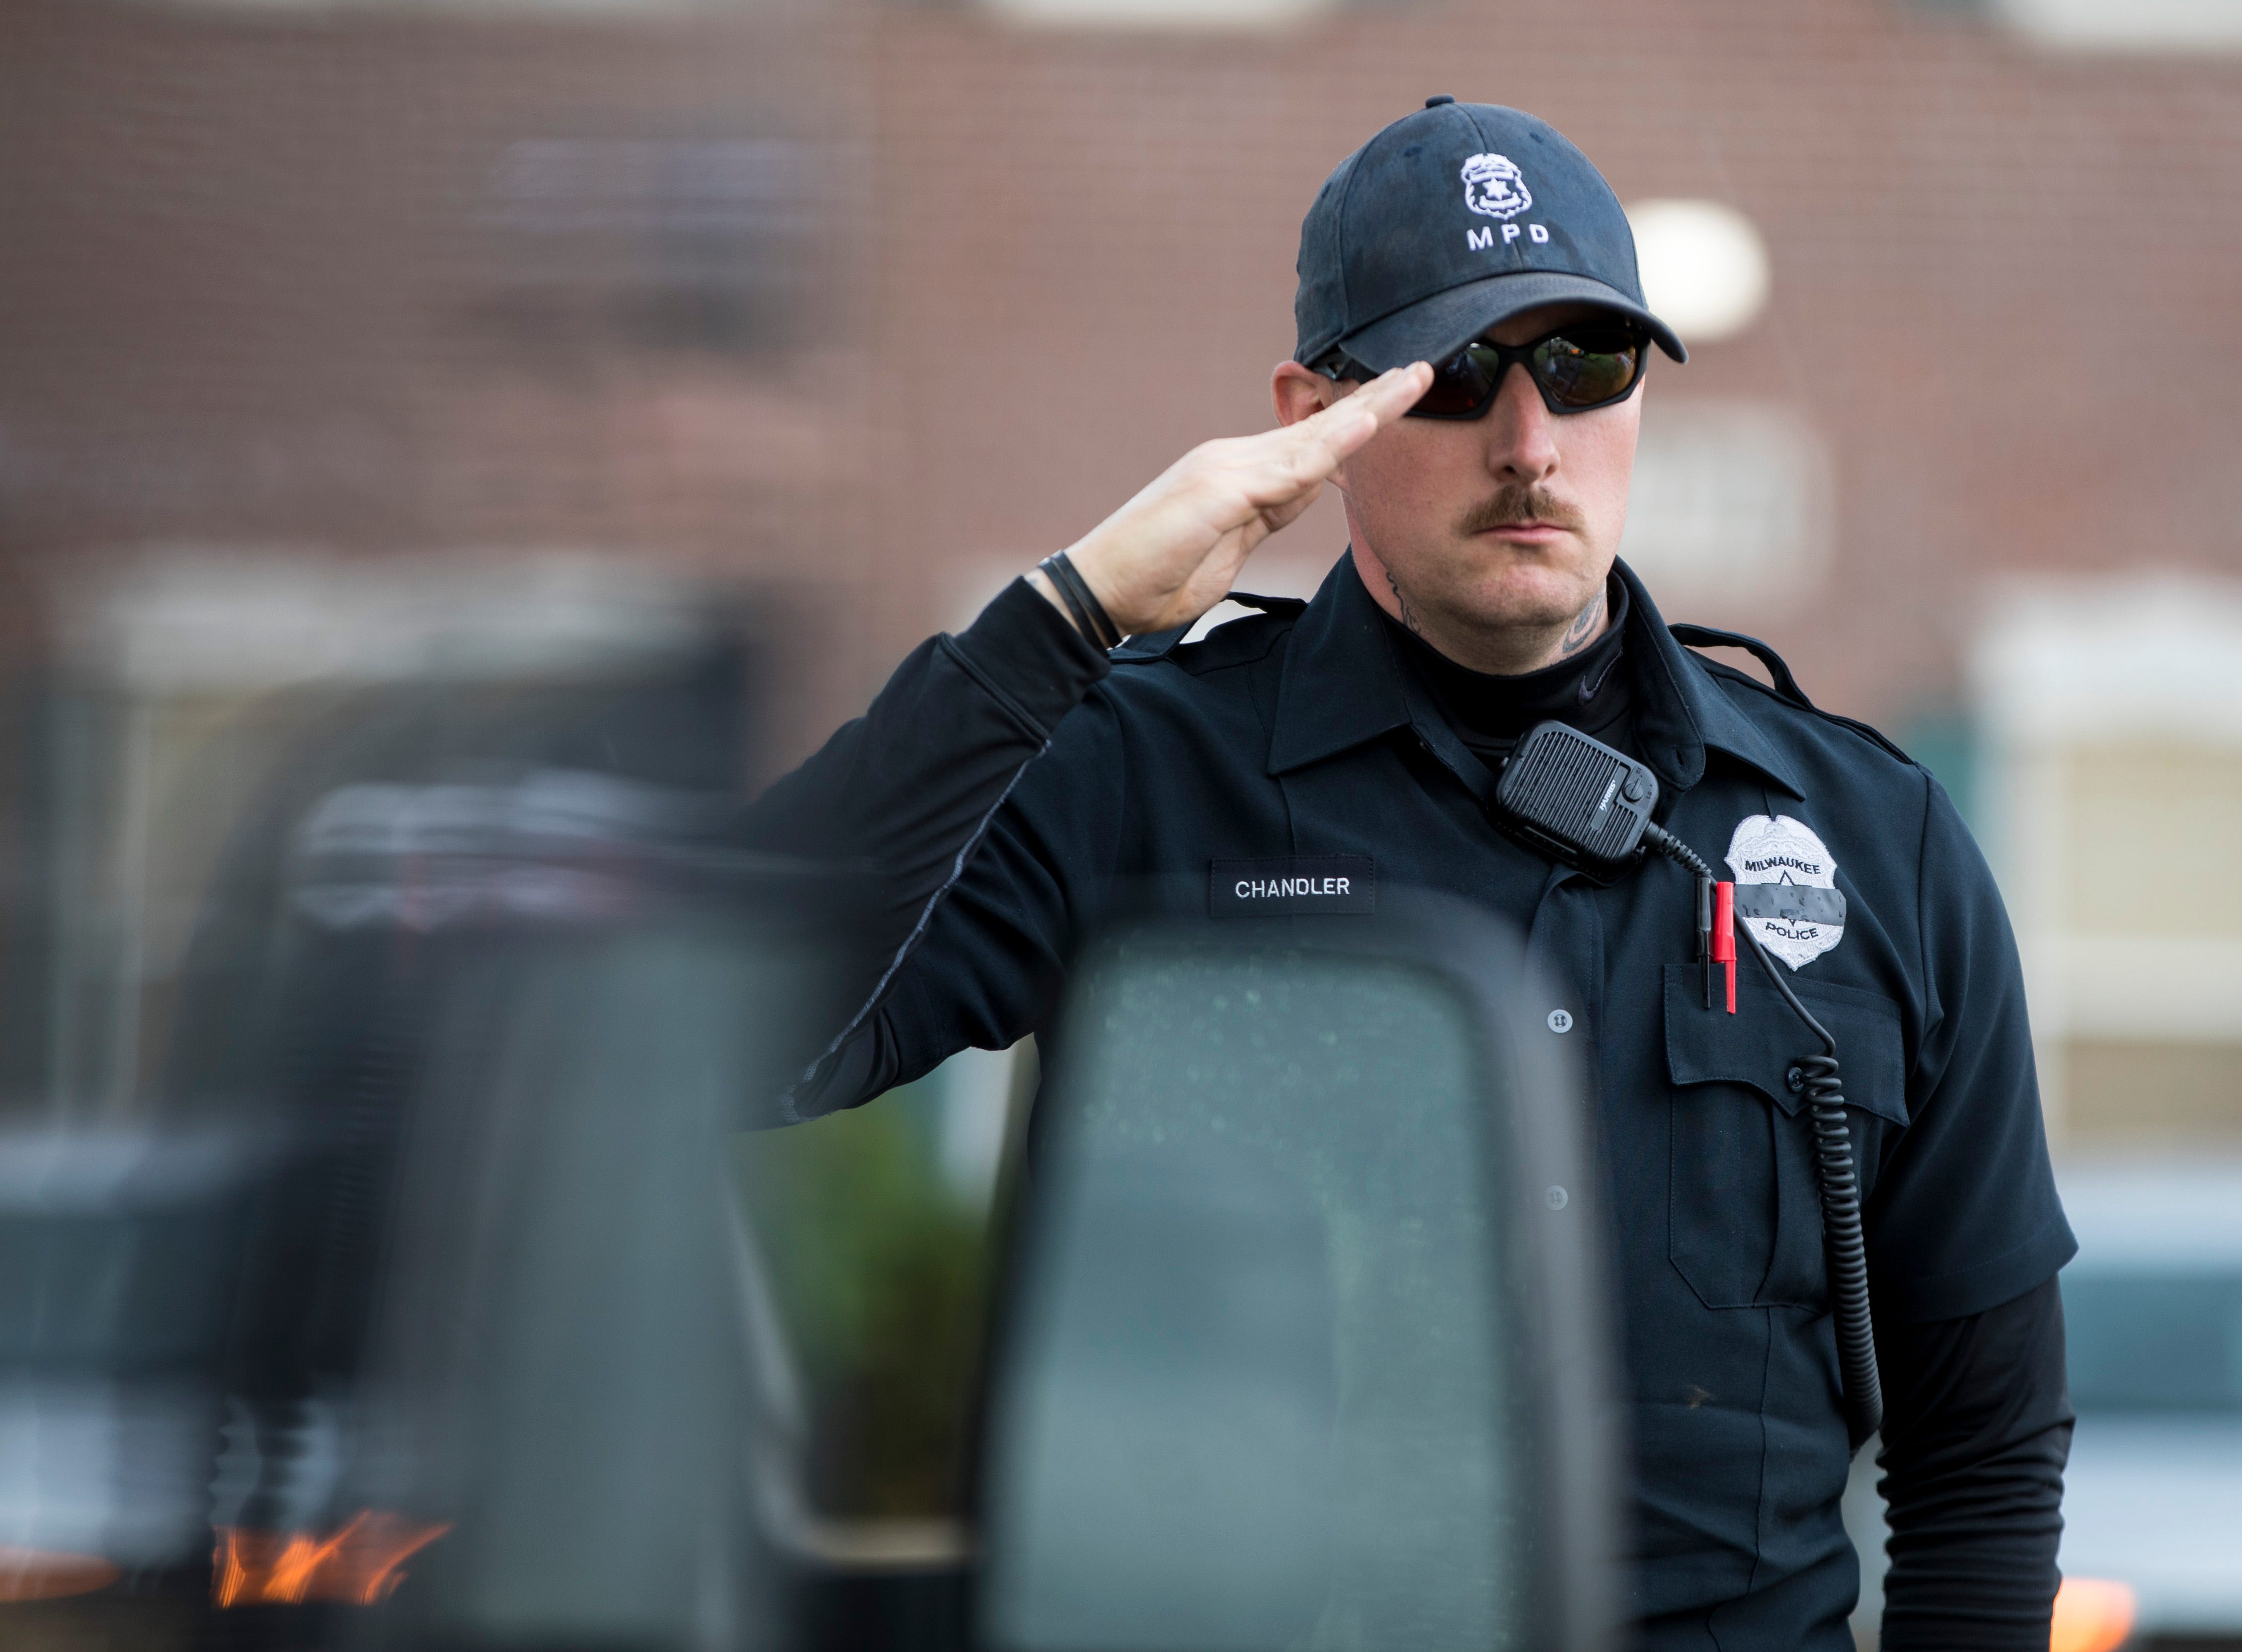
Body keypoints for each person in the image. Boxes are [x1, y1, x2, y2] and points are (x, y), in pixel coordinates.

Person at [737, 97, 2075, 1650]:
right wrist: (1069, 615)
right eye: (1453, 376)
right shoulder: (1132, 777)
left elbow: (1983, 1457)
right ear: (1315, 414)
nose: (1531, 444)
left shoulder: (1872, 840)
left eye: (1588, 364)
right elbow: (734, 1025)